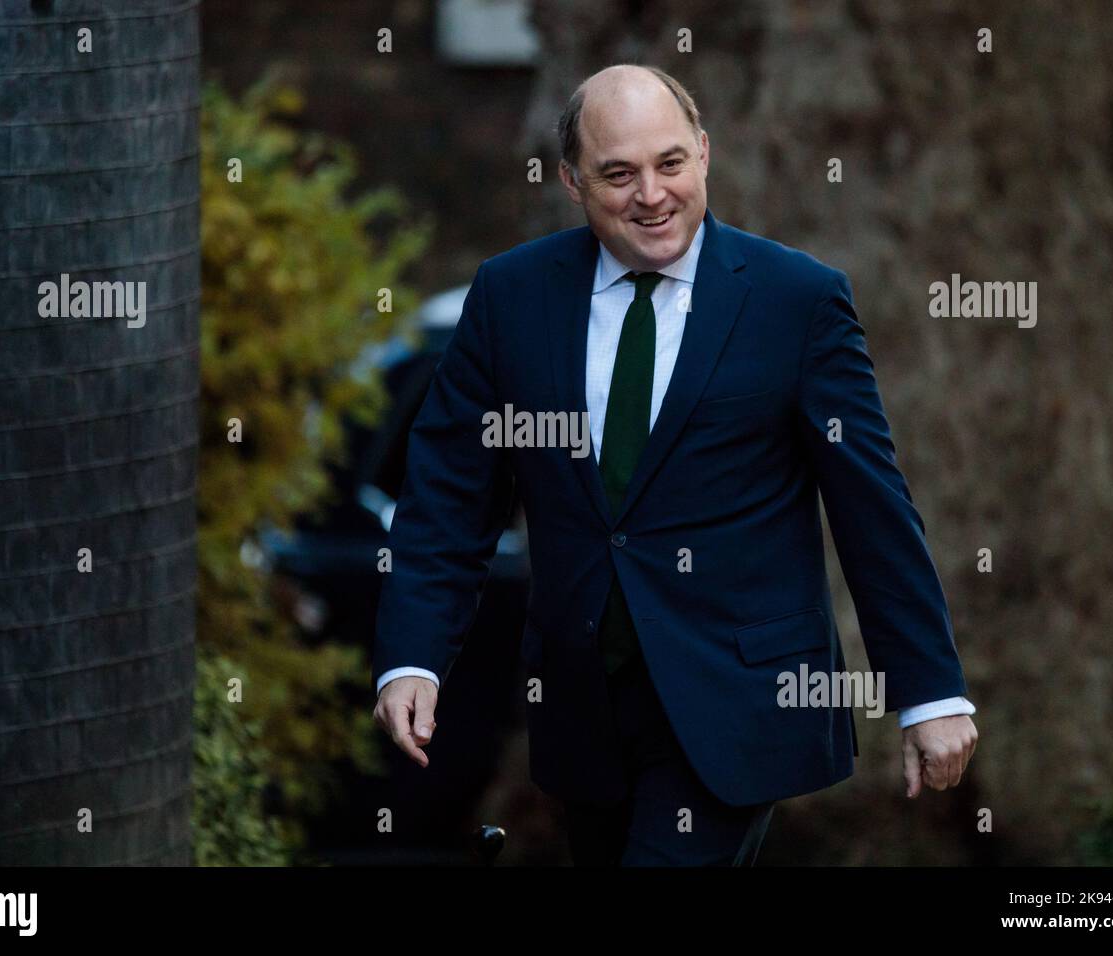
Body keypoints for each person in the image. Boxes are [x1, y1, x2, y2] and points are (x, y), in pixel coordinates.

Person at [371, 63, 978, 866]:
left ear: (704, 154)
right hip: (582, 708)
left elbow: (872, 504)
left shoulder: (795, 299)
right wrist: (413, 656)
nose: (650, 195)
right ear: (571, 181)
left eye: (670, 164)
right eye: (617, 174)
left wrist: (927, 691)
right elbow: (449, 493)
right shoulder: (511, 296)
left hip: (738, 701)